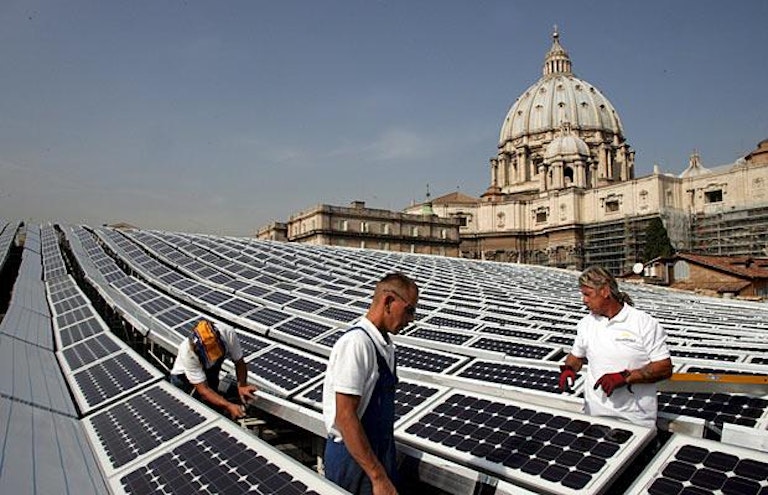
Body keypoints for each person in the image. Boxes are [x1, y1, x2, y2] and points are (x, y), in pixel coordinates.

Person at [323, 272, 418, 495]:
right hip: (355, 462)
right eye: (409, 310)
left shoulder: (385, 346)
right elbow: (345, 416)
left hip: (377, 453)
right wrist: (378, 476)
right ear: (388, 302)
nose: (411, 319)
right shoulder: (357, 343)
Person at [558, 265, 673, 429]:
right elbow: (576, 356)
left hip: (635, 422)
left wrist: (625, 378)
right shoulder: (586, 324)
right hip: (594, 416)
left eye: (587, 294)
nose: (584, 300)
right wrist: (569, 368)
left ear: (605, 291)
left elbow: (664, 367)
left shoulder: (643, 323)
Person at [170, 318, 257, 419]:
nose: (213, 358)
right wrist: (229, 406)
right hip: (183, 379)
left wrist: (242, 385)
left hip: (211, 372)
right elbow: (204, 390)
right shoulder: (188, 353)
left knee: (213, 407)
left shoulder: (228, 333)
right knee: (188, 413)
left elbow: (239, 362)